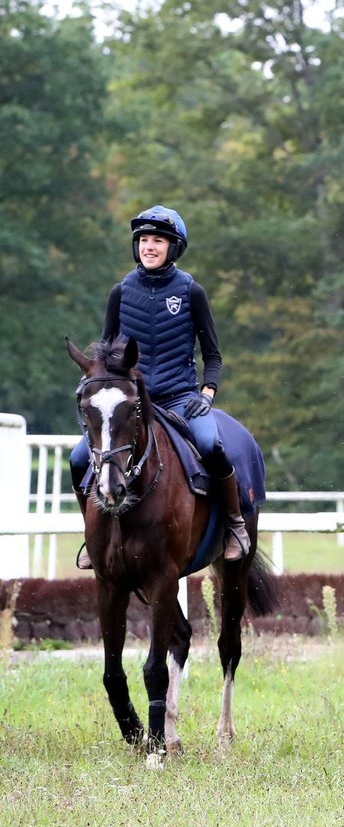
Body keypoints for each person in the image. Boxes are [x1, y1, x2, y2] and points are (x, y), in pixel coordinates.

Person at [68, 206, 250, 569]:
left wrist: (206, 393)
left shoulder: (191, 291)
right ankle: (93, 536)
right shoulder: (121, 291)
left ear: (173, 247)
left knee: (210, 445)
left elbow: (213, 355)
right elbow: (104, 353)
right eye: (144, 240)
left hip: (179, 399)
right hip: (131, 403)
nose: (149, 247)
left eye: (158, 241)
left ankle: (235, 525)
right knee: (76, 458)